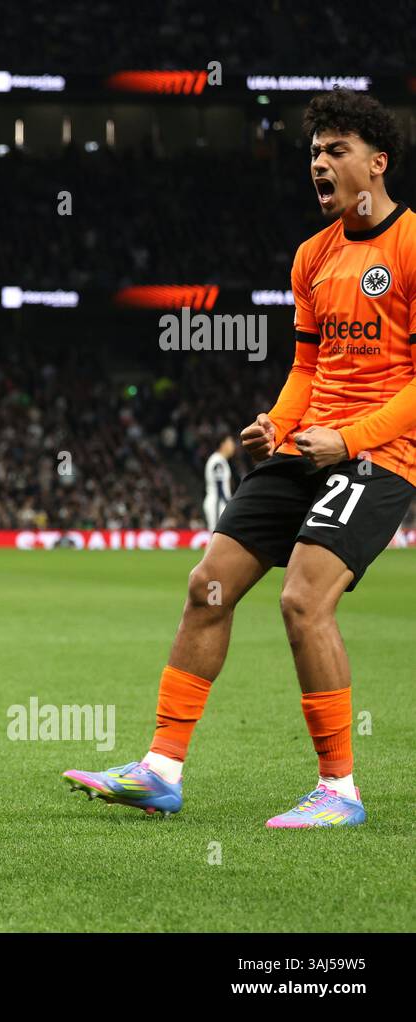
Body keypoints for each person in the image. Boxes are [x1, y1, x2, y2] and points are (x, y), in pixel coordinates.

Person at [63, 89, 416, 828]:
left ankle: (339, 791)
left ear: (377, 164)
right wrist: (275, 423)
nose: (319, 163)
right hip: (308, 446)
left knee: (303, 600)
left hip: (381, 455)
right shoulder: (310, 258)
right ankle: (160, 770)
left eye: (336, 150)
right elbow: (306, 367)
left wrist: (349, 439)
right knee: (208, 585)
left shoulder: (411, 245)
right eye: (314, 152)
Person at [201, 436, 235, 532]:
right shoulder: (217, 461)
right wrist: (229, 504)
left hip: (220, 503)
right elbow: (219, 488)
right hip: (217, 503)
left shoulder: (220, 460)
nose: (233, 446)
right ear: (223, 445)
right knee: (217, 536)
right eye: (230, 443)